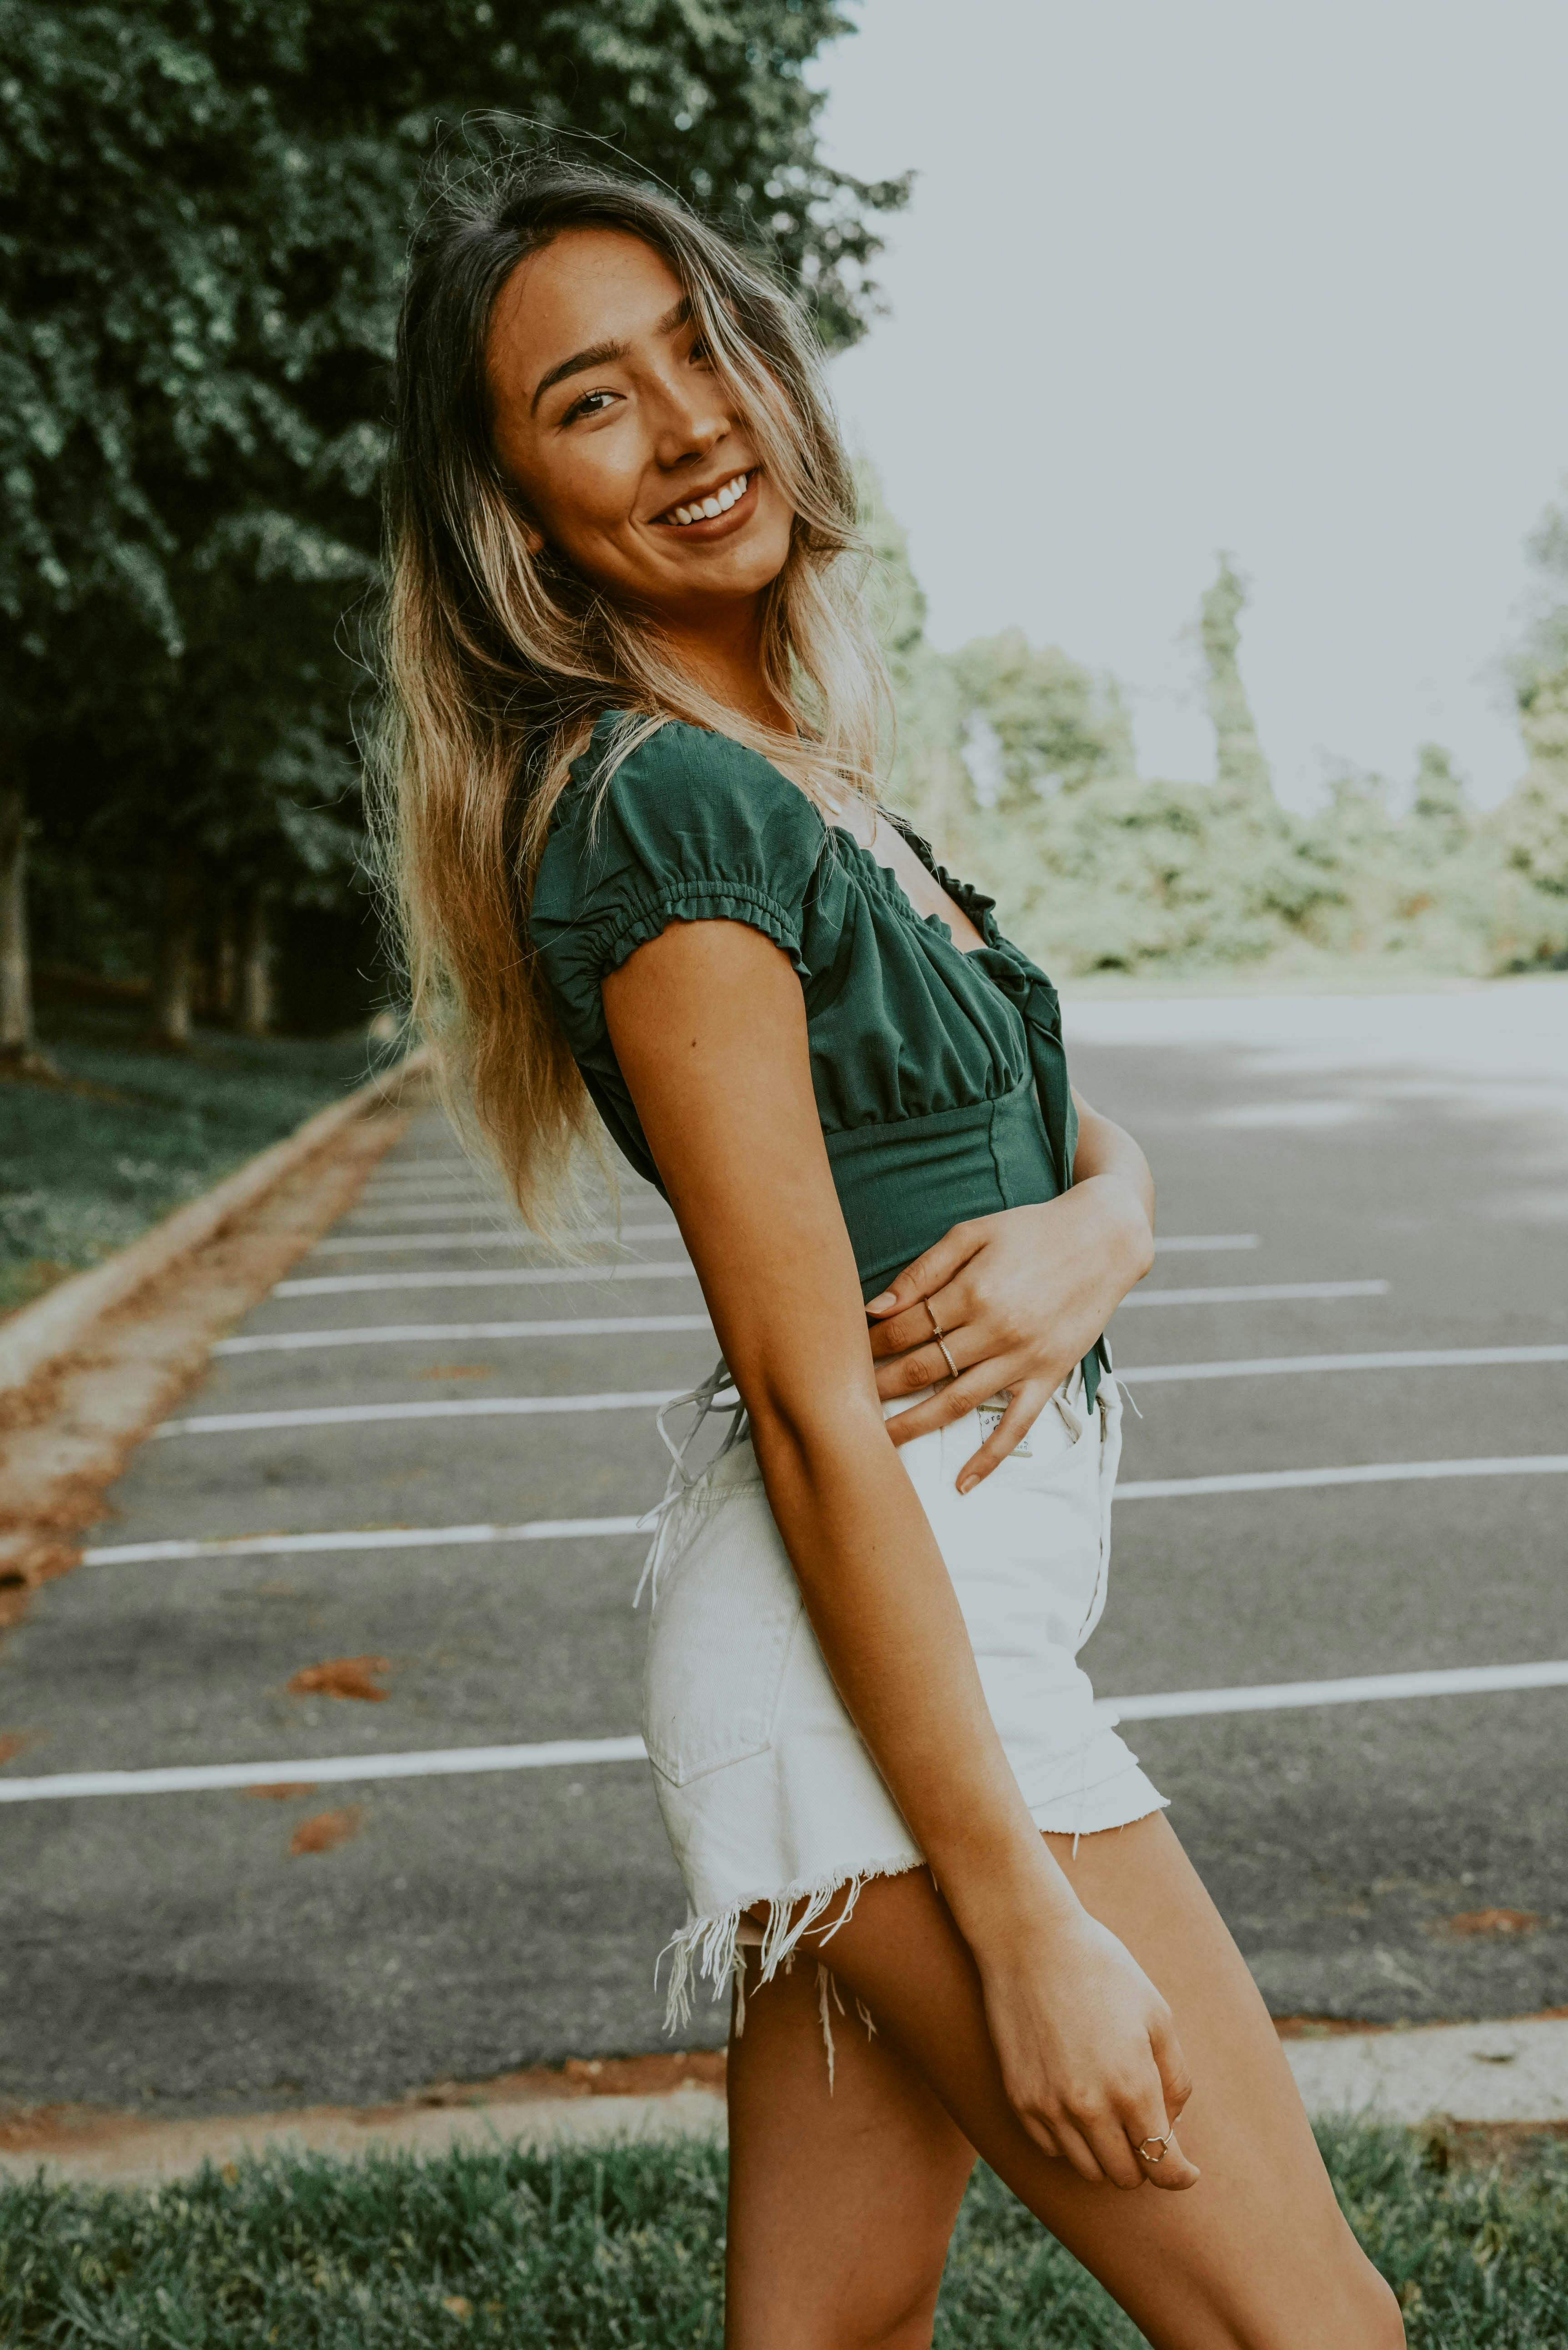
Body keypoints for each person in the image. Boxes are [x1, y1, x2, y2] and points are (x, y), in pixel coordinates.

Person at [376, 152, 1402, 2350]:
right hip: (892, 1684)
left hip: (873, 1666)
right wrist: (1020, 1912)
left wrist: (1108, 1221)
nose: (685, 419)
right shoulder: (666, 807)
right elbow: (813, 1409)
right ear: (513, 514)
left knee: (831, 2332)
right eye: (590, 402)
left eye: (698, 348)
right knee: (1310, 2328)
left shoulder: (795, 768)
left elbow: (1028, 1129)